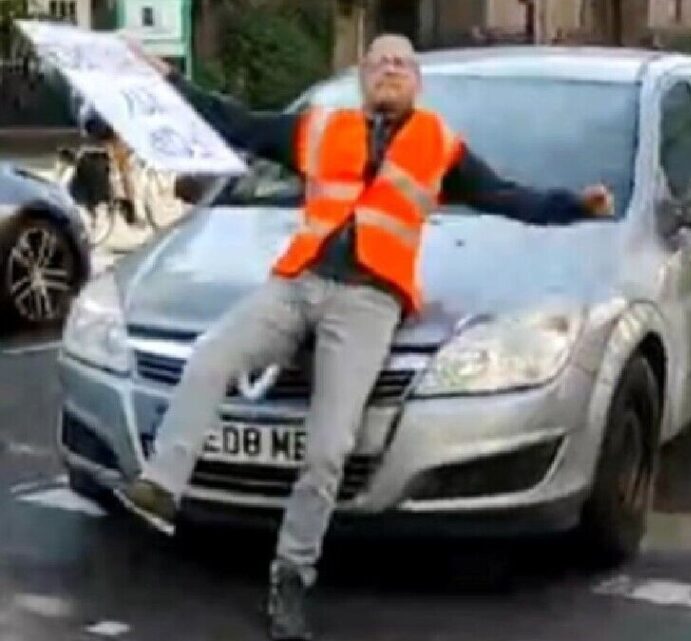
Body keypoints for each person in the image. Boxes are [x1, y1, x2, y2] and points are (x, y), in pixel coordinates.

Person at [116, 34, 614, 641]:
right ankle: (163, 488)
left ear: (416, 81)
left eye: (401, 64)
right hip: (297, 283)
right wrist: (166, 77)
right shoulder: (322, 128)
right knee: (211, 356)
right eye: (379, 63)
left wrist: (577, 205)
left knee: (328, 448)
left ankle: (291, 575)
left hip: (369, 303)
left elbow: (508, 196)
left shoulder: (438, 144)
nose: (390, 71)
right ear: (362, 74)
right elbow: (237, 123)